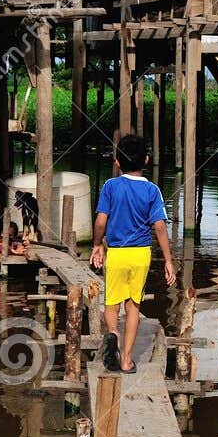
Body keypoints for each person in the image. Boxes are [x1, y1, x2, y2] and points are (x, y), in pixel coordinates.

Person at [89, 134, 177, 373]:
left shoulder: (110, 186)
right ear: (146, 160)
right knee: (133, 306)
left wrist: (97, 244)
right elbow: (159, 226)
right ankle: (127, 360)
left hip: (116, 253)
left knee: (111, 304)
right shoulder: (152, 190)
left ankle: (113, 336)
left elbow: (100, 221)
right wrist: (168, 260)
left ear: (117, 161)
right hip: (141, 255)